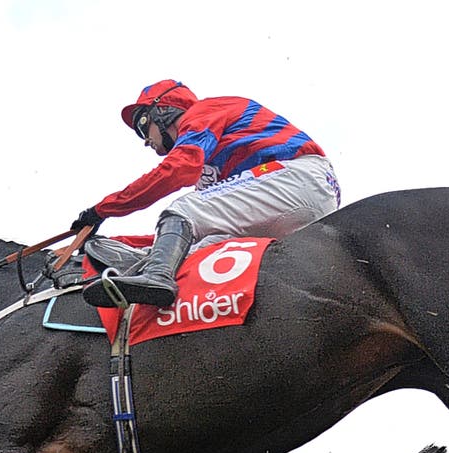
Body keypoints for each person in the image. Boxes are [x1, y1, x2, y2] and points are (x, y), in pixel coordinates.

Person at [72, 80, 340, 310]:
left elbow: (177, 171)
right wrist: (116, 242)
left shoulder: (203, 112)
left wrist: (103, 210)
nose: (145, 140)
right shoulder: (213, 175)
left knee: (183, 209)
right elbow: (189, 233)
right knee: (195, 252)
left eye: (143, 126)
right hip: (296, 196)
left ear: (163, 110)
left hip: (295, 177)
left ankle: (157, 277)